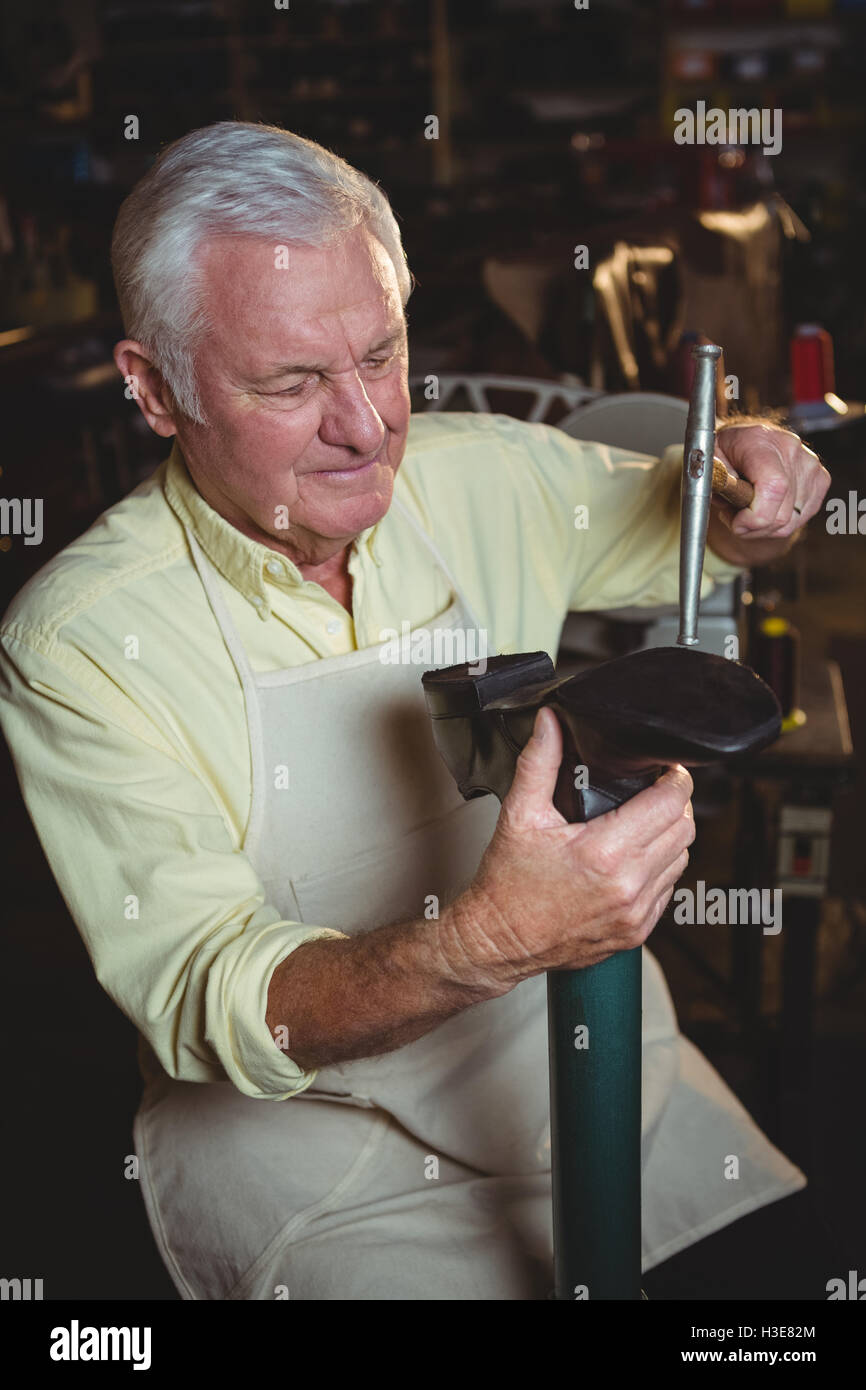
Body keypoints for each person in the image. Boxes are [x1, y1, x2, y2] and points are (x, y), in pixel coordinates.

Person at [0, 122, 831, 1301]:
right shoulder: (82, 643)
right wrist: (482, 943)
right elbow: (206, 992)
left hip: (591, 1080)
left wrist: (756, 477)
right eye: (288, 384)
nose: (364, 425)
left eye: (380, 356)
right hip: (318, 1159)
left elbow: (681, 508)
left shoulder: (475, 472)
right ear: (154, 389)